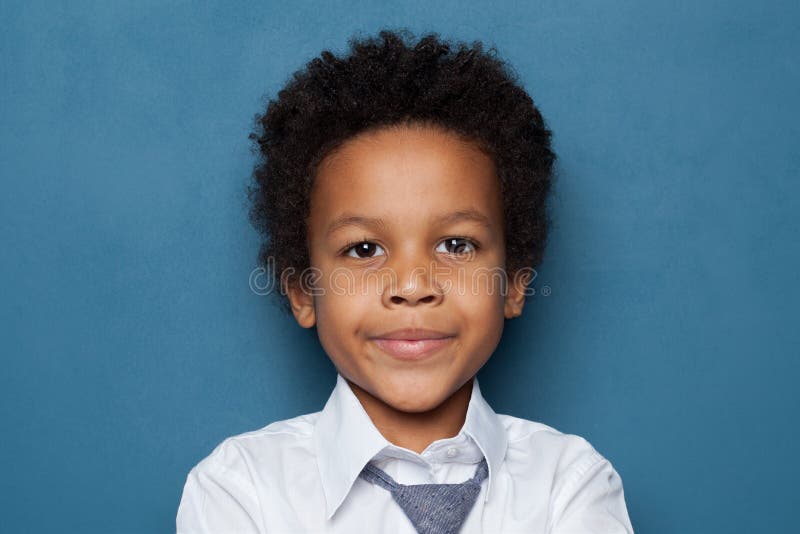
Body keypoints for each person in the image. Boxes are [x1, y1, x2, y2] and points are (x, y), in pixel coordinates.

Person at [176, 29, 634, 533]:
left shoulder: (567, 484)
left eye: (456, 245)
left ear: (515, 283)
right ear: (303, 290)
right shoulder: (240, 490)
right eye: (364, 249)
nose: (412, 286)